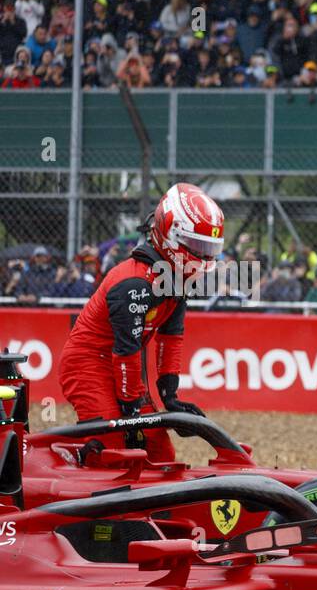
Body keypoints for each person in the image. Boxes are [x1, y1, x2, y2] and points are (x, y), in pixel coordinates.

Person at [58, 182, 221, 462]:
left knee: (160, 452)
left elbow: (172, 338)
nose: (204, 255)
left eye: (209, 247)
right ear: (171, 235)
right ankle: (73, 465)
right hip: (88, 364)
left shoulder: (178, 278)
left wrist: (170, 397)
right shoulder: (134, 283)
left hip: (124, 366)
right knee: (114, 447)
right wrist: (131, 409)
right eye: (197, 245)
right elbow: (126, 350)